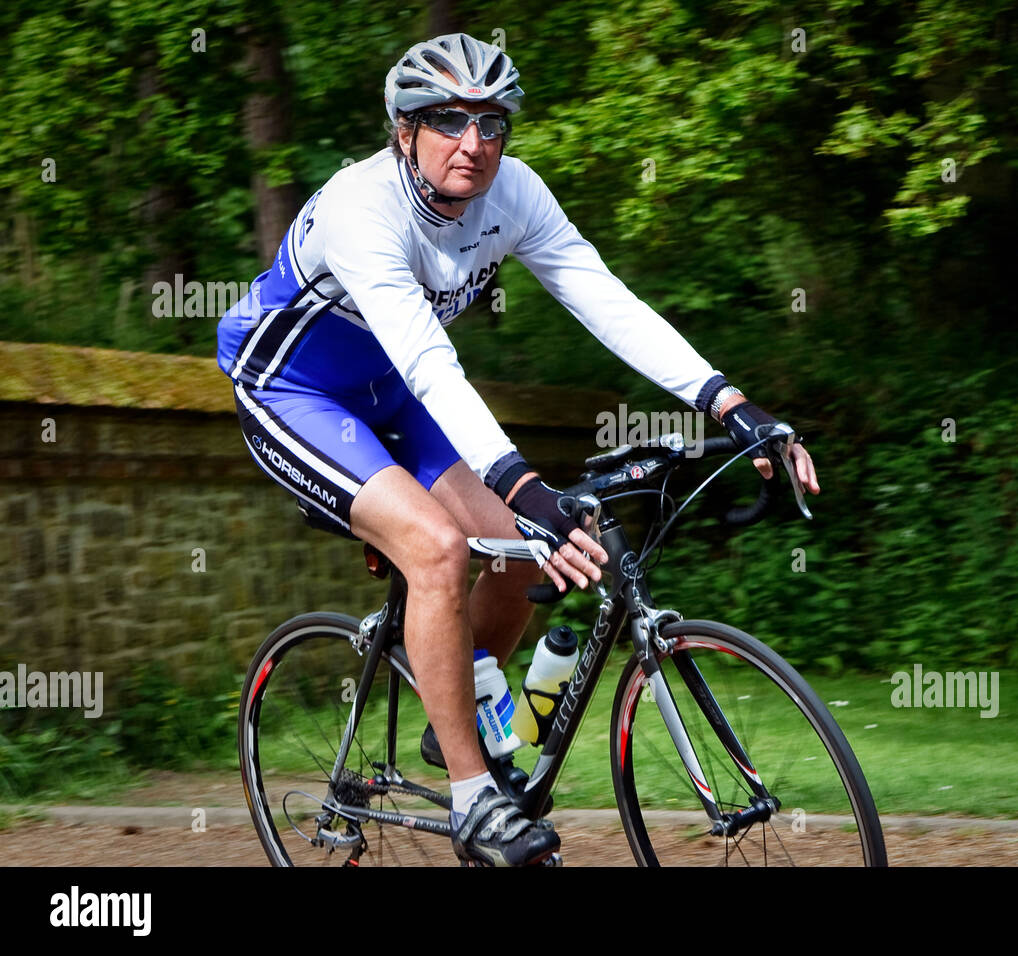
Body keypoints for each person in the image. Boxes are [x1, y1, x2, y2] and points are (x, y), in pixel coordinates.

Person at [216, 32, 819, 866]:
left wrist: (728, 399)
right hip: (295, 391)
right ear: (404, 130)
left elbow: (602, 298)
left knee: (522, 552)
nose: (474, 145)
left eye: (493, 124)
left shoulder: (513, 194)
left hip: (393, 391)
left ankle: (449, 703)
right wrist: (526, 484)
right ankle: (474, 801)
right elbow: (432, 361)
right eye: (448, 122)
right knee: (437, 548)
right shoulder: (363, 207)